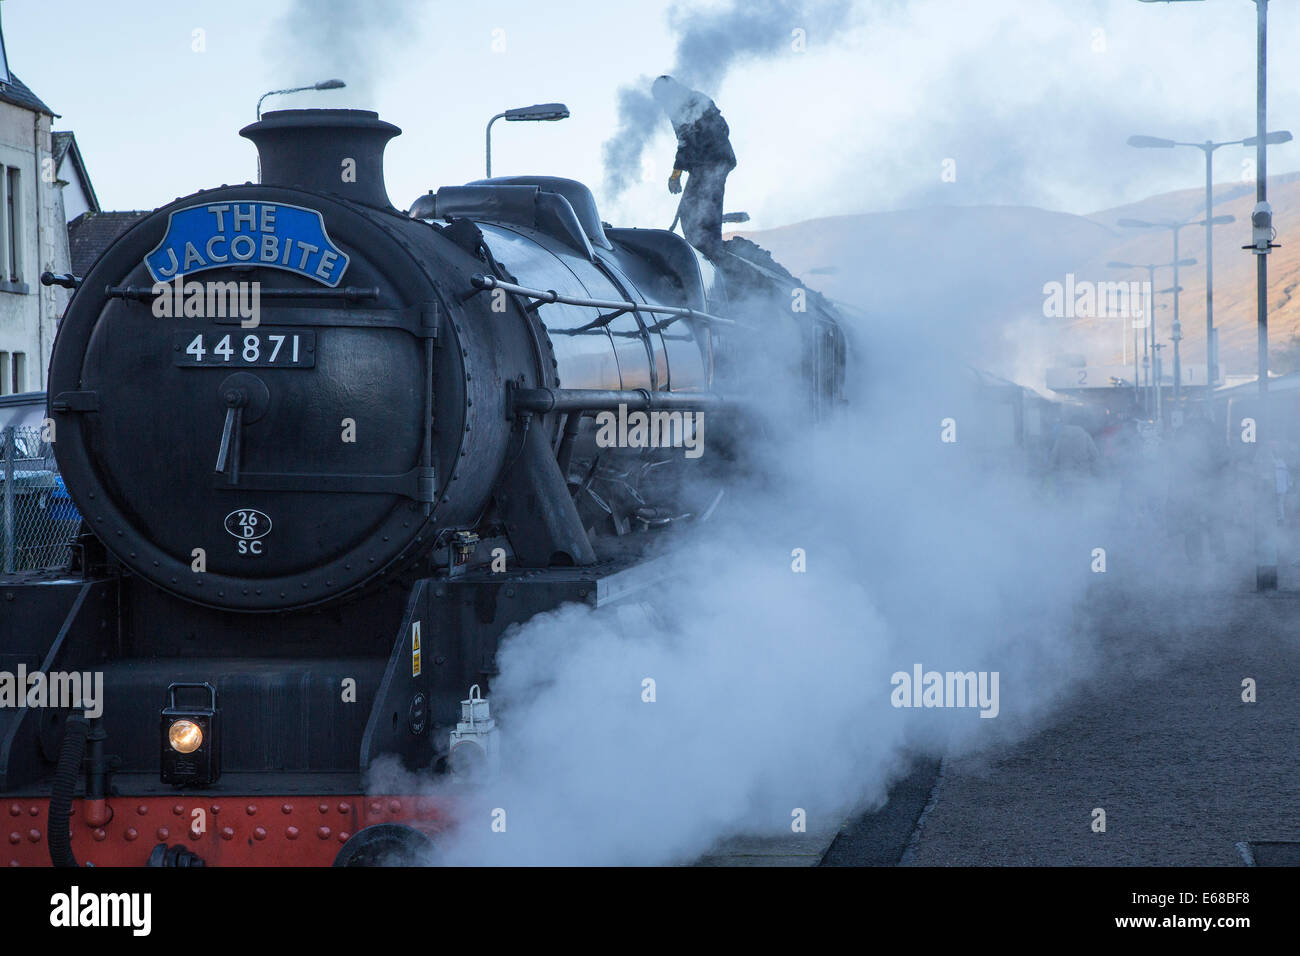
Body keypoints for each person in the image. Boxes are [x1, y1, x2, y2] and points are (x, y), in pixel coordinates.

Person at [652, 75, 736, 257]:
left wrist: (675, 176)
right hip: (716, 159)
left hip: (710, 162)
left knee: (699, 208)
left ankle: (706, 252)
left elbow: (685, 141)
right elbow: (724, 127)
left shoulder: (678, 106)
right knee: (705, 205)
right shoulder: (697, 98)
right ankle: (706, 248)